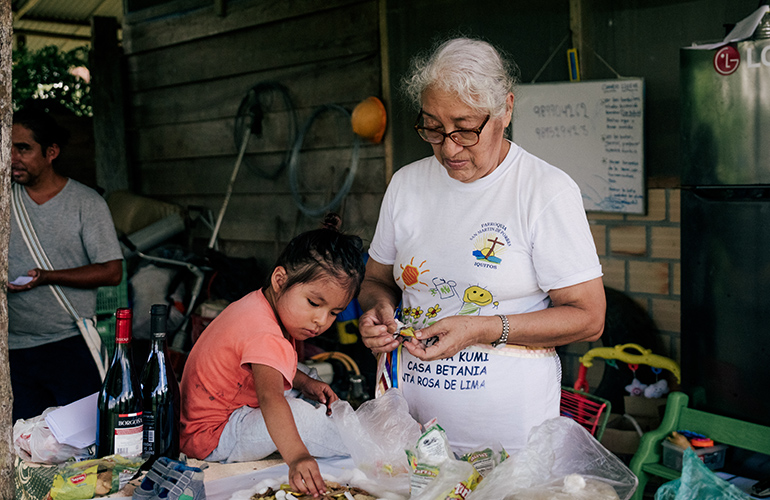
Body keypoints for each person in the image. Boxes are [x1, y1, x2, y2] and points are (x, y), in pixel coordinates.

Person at [358, 37, 606, 454]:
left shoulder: (544, 190)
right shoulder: (406, 185)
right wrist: (378, 311)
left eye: (466, 129)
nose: (449, 147)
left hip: (509, 438)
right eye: (433, 127)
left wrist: (484, 328)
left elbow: (589, 318)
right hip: (408, 428)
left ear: (506, 110)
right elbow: (376, 280)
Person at [180, 214, 365, 498]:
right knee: (299, 417)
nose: (321, 320)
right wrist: (298, 457)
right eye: (314, 303)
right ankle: (364, 444)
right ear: (280, 280)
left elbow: (272, 365)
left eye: (334, 313)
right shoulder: (265, 333)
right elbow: (270, 398)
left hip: (208, 419)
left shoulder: (258, 305)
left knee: (307, 377)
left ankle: (338, 426)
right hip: (213, 437)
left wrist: (305, 383)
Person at [8, 107, 124, 421]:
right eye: (8, 148)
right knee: (26, 440)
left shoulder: (86, 203)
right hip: (13, 348)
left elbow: (112, 271)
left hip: (71, 344)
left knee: (84, 437)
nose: (13, 157)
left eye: (23, 148)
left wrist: (48, 277)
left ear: (51, 152)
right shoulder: (6, 201)